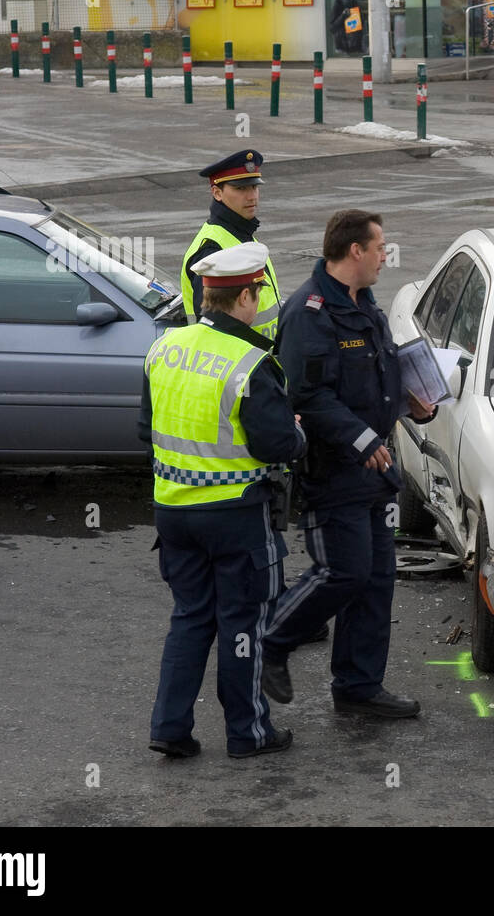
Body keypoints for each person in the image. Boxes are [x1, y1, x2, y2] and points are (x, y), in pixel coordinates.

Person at [260, 210, 437, 718]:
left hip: (374, 471)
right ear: (355, 250)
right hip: (334, 469)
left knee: (377, 579)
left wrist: (411, 401)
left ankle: (359, 687)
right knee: (344, 572)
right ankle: (273, 639)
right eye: (380, 246)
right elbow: (308, 396)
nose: (386, 255)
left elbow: (374, 377)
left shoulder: (365, 304)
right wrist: (359, 437)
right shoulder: (309, 314)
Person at [142, 242, 307, 759]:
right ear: (246, 296)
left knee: (190, 618)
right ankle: (248, 733)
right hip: (236, 513)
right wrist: (297, 433)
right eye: (257, 291)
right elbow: (277, 445)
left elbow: (144, 427)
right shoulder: (252, 362)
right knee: (244, 624)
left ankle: (170, 728)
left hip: (172, 512)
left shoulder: (162, 348)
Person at [181, 150, 282, 342]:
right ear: (217, 193)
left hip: (260, 361)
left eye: (254, 187)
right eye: (241, 189)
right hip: (238, 366)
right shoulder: (211, 251)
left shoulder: (242, 235)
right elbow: (215, 330)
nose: (252, 196)